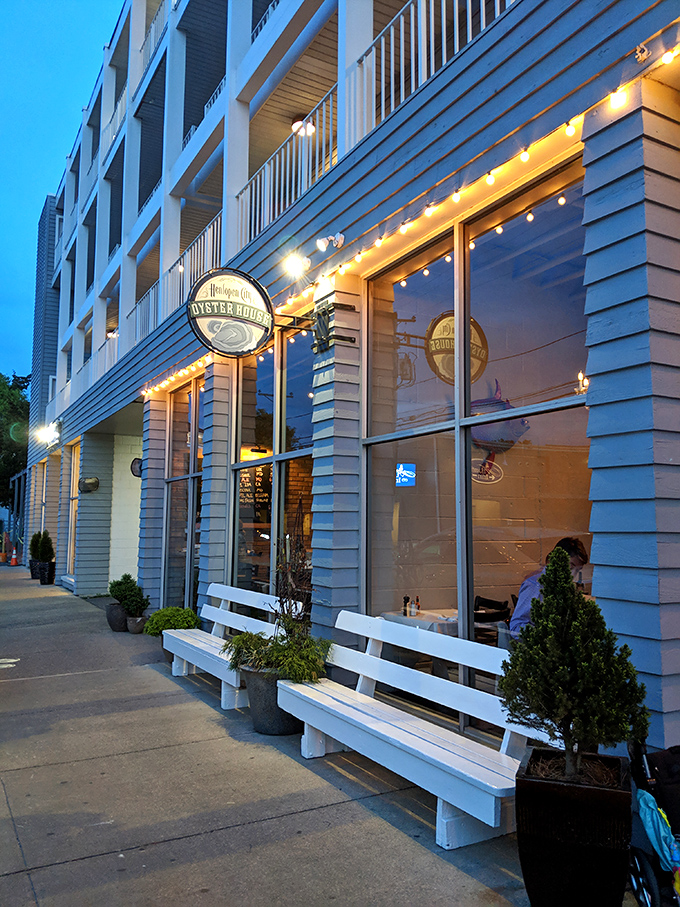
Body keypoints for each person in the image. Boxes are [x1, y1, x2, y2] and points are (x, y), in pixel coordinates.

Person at [509, 537, 589, 639]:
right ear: (556, 559)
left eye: (577, 570)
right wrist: (545, 636)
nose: (572, 574)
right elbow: (516, 627)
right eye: (570, 567)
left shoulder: (566, 588)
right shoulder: (535, 585)